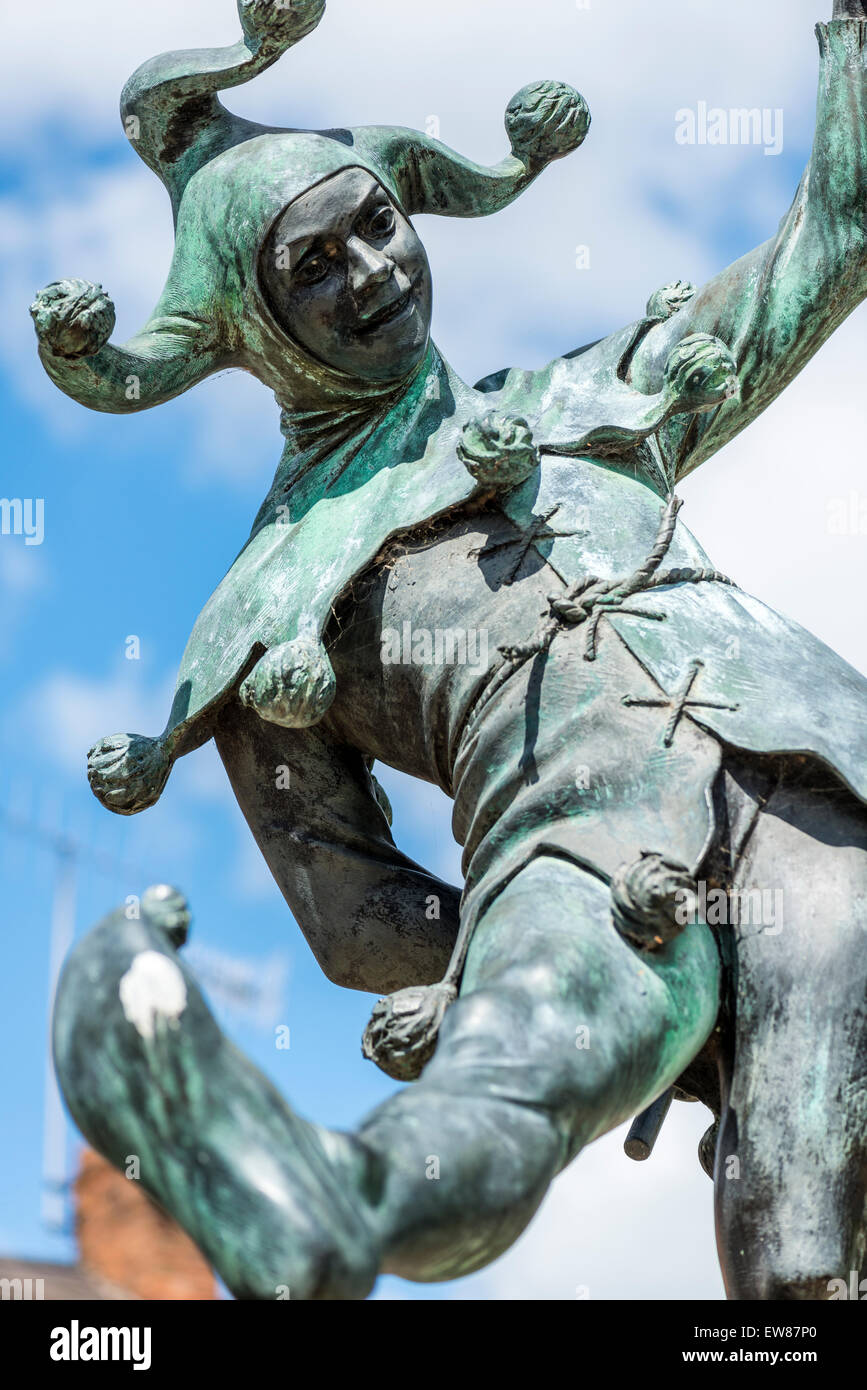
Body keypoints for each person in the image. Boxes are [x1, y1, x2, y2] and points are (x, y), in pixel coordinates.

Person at [42, 0, 867, 1299]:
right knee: (519, 1075)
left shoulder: (598, 399)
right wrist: (485, 945)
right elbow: (350, 908)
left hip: (827, 797)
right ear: (251, 324)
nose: (372, 271)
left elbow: (843, 231)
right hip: (573, 865)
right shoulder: (274, 609)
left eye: (378, 225)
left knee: (806, 1247)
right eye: (312, 267)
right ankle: (326, 1204)